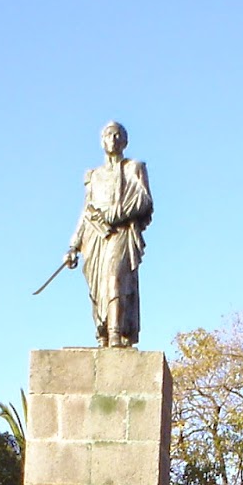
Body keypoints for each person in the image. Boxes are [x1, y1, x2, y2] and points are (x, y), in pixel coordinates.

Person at [65, 121, 153, 348]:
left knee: (115, 278)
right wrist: (73, 246)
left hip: (121, 231)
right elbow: (86, 211)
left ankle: (116, 332)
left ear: (124, 141)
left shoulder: (134, 167)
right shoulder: (94, 175)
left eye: (117, 135)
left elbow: (143, 199)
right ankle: (102, 333)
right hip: (94, 237)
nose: (112, 140)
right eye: (108, 135)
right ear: (101, 141)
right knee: (98, 287)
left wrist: (118, 213)